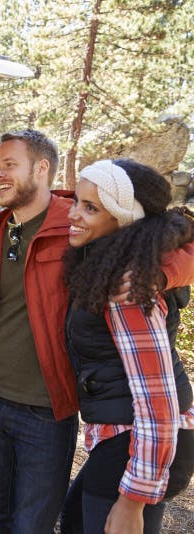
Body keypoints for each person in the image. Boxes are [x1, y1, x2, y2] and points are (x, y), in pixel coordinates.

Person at [0, 130, 194, 533]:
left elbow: (170, 244)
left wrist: (160, 274)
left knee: (35, 524)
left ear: (42, 168)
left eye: (10, 164)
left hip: (47, 410)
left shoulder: (81, 231)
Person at [59, 159, 194, 534]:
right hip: (125, 439)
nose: (74, 214)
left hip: (141, 442)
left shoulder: (128, 289)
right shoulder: (110, 260)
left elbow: (158, 403)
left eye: (91, 207)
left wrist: (132, 501)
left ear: (122, 217)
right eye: (76, 201)